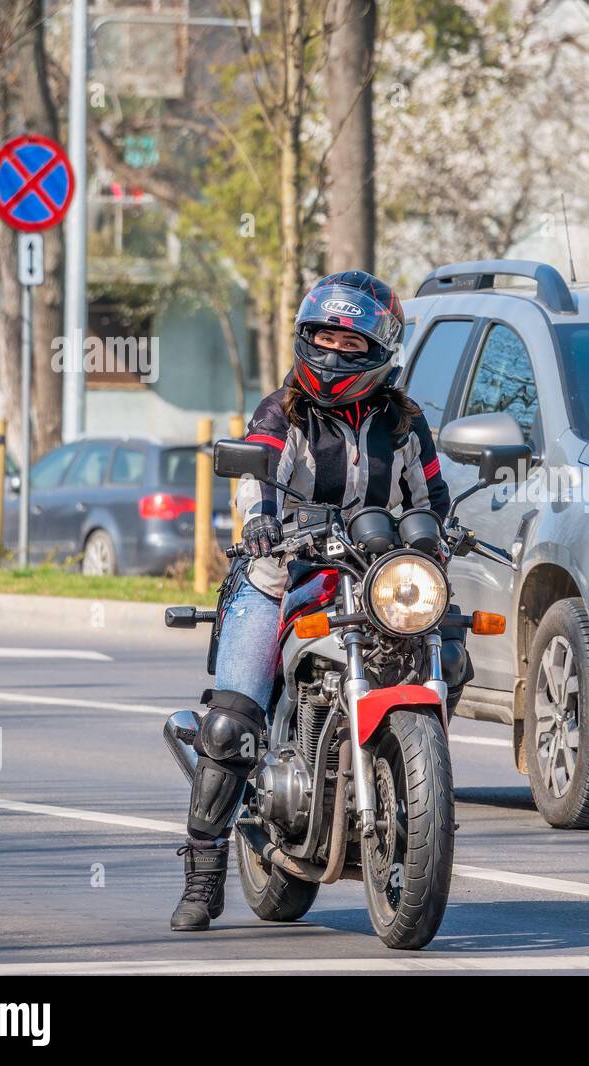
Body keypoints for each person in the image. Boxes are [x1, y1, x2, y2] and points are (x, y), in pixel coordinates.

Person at [171, 270, 471, 932]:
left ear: (382, 350)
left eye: (350, 342)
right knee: (229, 728)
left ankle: (413, 793)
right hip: (281, 568)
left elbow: (429, 498)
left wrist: (442, 535)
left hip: (374, 571)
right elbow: (259, 475)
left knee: (449, 648)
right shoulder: (282, 410)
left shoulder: (405, 419)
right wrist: (259, 523)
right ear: (304, 338)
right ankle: (203, 871)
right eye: (323, 337)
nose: (333, 353)